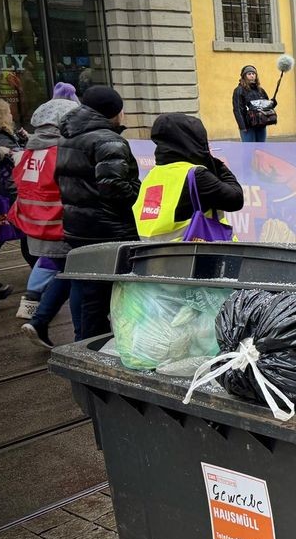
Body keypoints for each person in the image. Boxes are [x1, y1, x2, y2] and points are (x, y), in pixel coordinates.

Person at [55, 86, 140, 339]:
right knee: (103, 297)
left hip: (78, 225)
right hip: (107, 230)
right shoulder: (107, 140)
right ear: (113, 111)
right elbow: (114, 187)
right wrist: (138, 189)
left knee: (86, 290)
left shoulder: (70, 135)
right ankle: (92, 347)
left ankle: (83, 340)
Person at [8, 99, 76, 345]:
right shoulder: (64, 151)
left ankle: (38, 315)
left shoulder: (28, 151)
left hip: (34, 226)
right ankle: (40, 319)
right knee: (76, 272)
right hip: (61, 225)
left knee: (69, 271)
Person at [134, 114, 243, 244]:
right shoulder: (195, 174)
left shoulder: (153, 174)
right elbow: (235, 199)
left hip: (155, 255)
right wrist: (214, 162)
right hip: (195, 255)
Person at [0, 98, 24, 310]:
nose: (12, 115)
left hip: (0, 193)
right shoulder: (0, 138)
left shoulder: (4, 137)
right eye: (9, 112)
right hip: (4, 195)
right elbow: (15, 169)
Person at [232, 65, 275, 142]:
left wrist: (273, 103)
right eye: (249, 74)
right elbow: (237, 110)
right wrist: (242, 126)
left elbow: (267, 107)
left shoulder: (260, 90)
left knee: (261, 150)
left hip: (261, 124)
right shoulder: (239, 90)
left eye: (253, 74)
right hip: (247, 126)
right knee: (249, 150)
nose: (252, 76)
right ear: (244, 76)